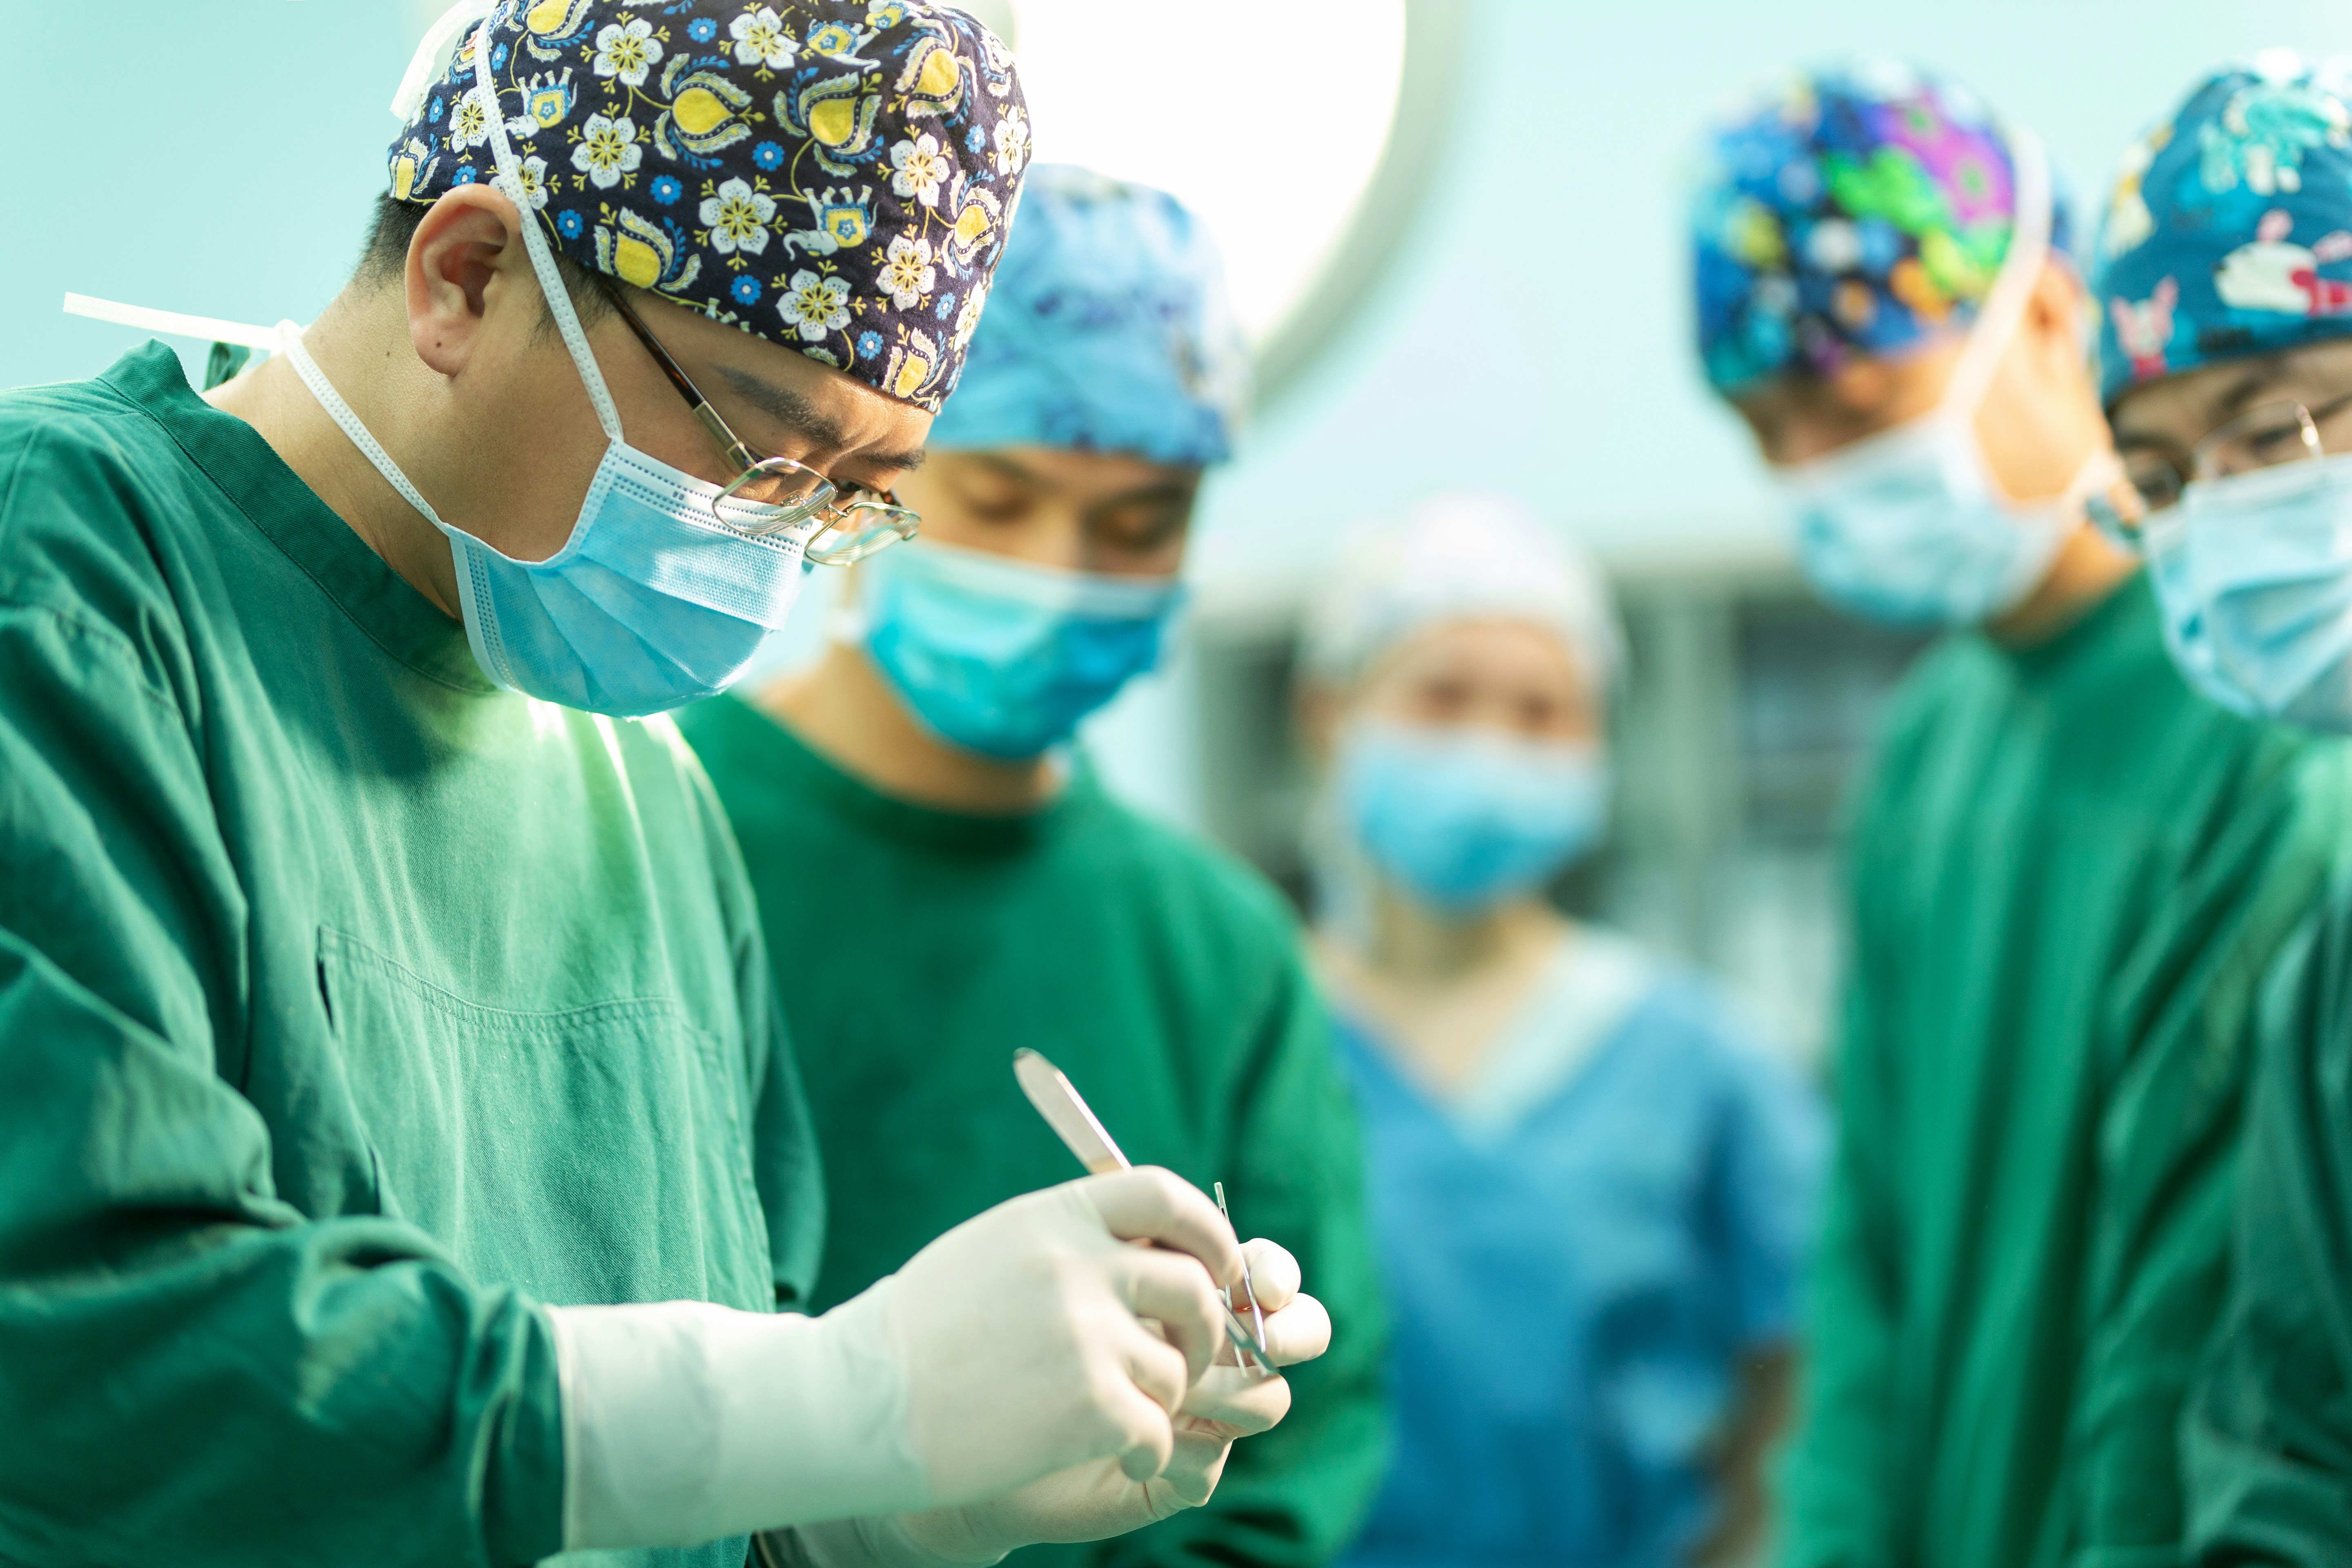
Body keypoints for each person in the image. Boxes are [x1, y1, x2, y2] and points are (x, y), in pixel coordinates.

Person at [0, 6, 1334, 1566]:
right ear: (468, 277)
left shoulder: (642, 802)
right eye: (763, 461)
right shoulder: (74, 578)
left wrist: (875, 1510)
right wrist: (840, 1397)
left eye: (854, 504)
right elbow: (91, 1357)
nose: (773, 554)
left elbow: (683, 1475)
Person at [675, 163, 1386, 1568]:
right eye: (999, 496)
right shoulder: (656, 823)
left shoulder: (1213, 942)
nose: (1061, 565)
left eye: (1137, 525)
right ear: (880, 467)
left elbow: (1312, 1426)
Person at [1690, 61, 2352, 1568]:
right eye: (1768, 430)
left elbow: (2195, 1328)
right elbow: (1868, 1252)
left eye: (1851, 407)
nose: (1815, 474)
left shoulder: (2270, 737)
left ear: (2046, 320)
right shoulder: (1933, 747)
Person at [1293, 495, 1826, 1568]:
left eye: (1542, 712)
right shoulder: (1250, 1038)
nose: (1490, 743)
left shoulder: (1699, 1061)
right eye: (1442, 696)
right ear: (1327, 715)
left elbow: (1809, 1373)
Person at [2082, 54, 2352, 1566]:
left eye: (2273, 432)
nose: (2226, 518)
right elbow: (2284, 1437)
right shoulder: (2337, 965)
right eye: (2162, 475)